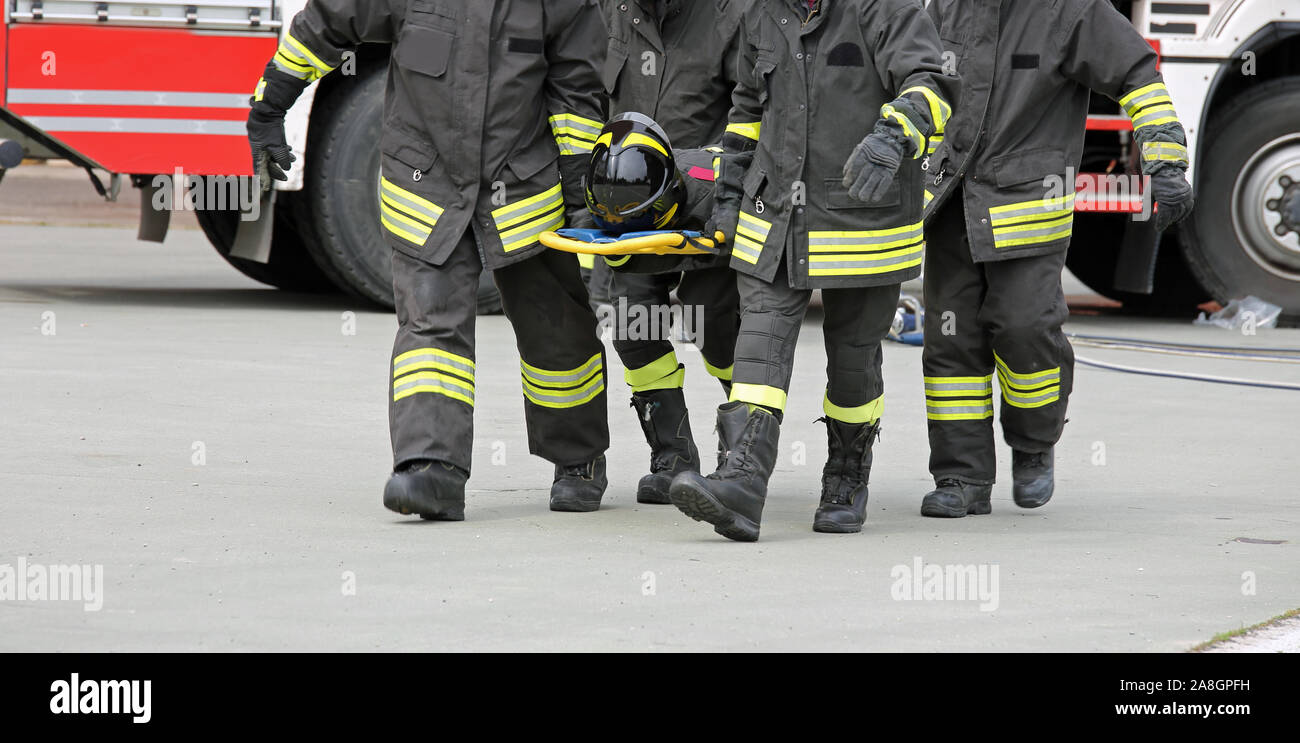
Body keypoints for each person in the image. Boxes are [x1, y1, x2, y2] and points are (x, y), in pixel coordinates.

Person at [245, 0, 613, 518]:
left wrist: (579, 192)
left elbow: (578, 88)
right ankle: (430, 467)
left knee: (553, 328)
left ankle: (578, 459)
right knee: (429, 326)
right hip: (425, 180)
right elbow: (327, 20)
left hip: (523, 184)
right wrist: (271, 105)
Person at [667, 0, 958, 541]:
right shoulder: (763, 12)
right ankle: (741, 482)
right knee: (759, 344)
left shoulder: (884, 8)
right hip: (772, 214)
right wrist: (729, 197)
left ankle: (845, 478)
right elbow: (747, 111)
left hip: (863, 218)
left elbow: (932, 85)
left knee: (852, 362)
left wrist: (893, 136)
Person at [918, 0, 1195, 517]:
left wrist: (1165, 158)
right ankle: (961, 476)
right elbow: (913, 78)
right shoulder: (947, 7)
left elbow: (1137, 74)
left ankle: (1033, 442)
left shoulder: (1069, 9)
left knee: (1026, 329)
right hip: (952, 203)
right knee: (950, 344)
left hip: (1027, 206)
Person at [597, 0, 750, 506]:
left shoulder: (734, 14)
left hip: (707, 212)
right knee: (631, 323)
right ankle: (673, 457)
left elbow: (755, 117)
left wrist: (699, 180)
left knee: (719, 330)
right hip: (630, 212)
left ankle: (742, 461)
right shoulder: (609, 11)